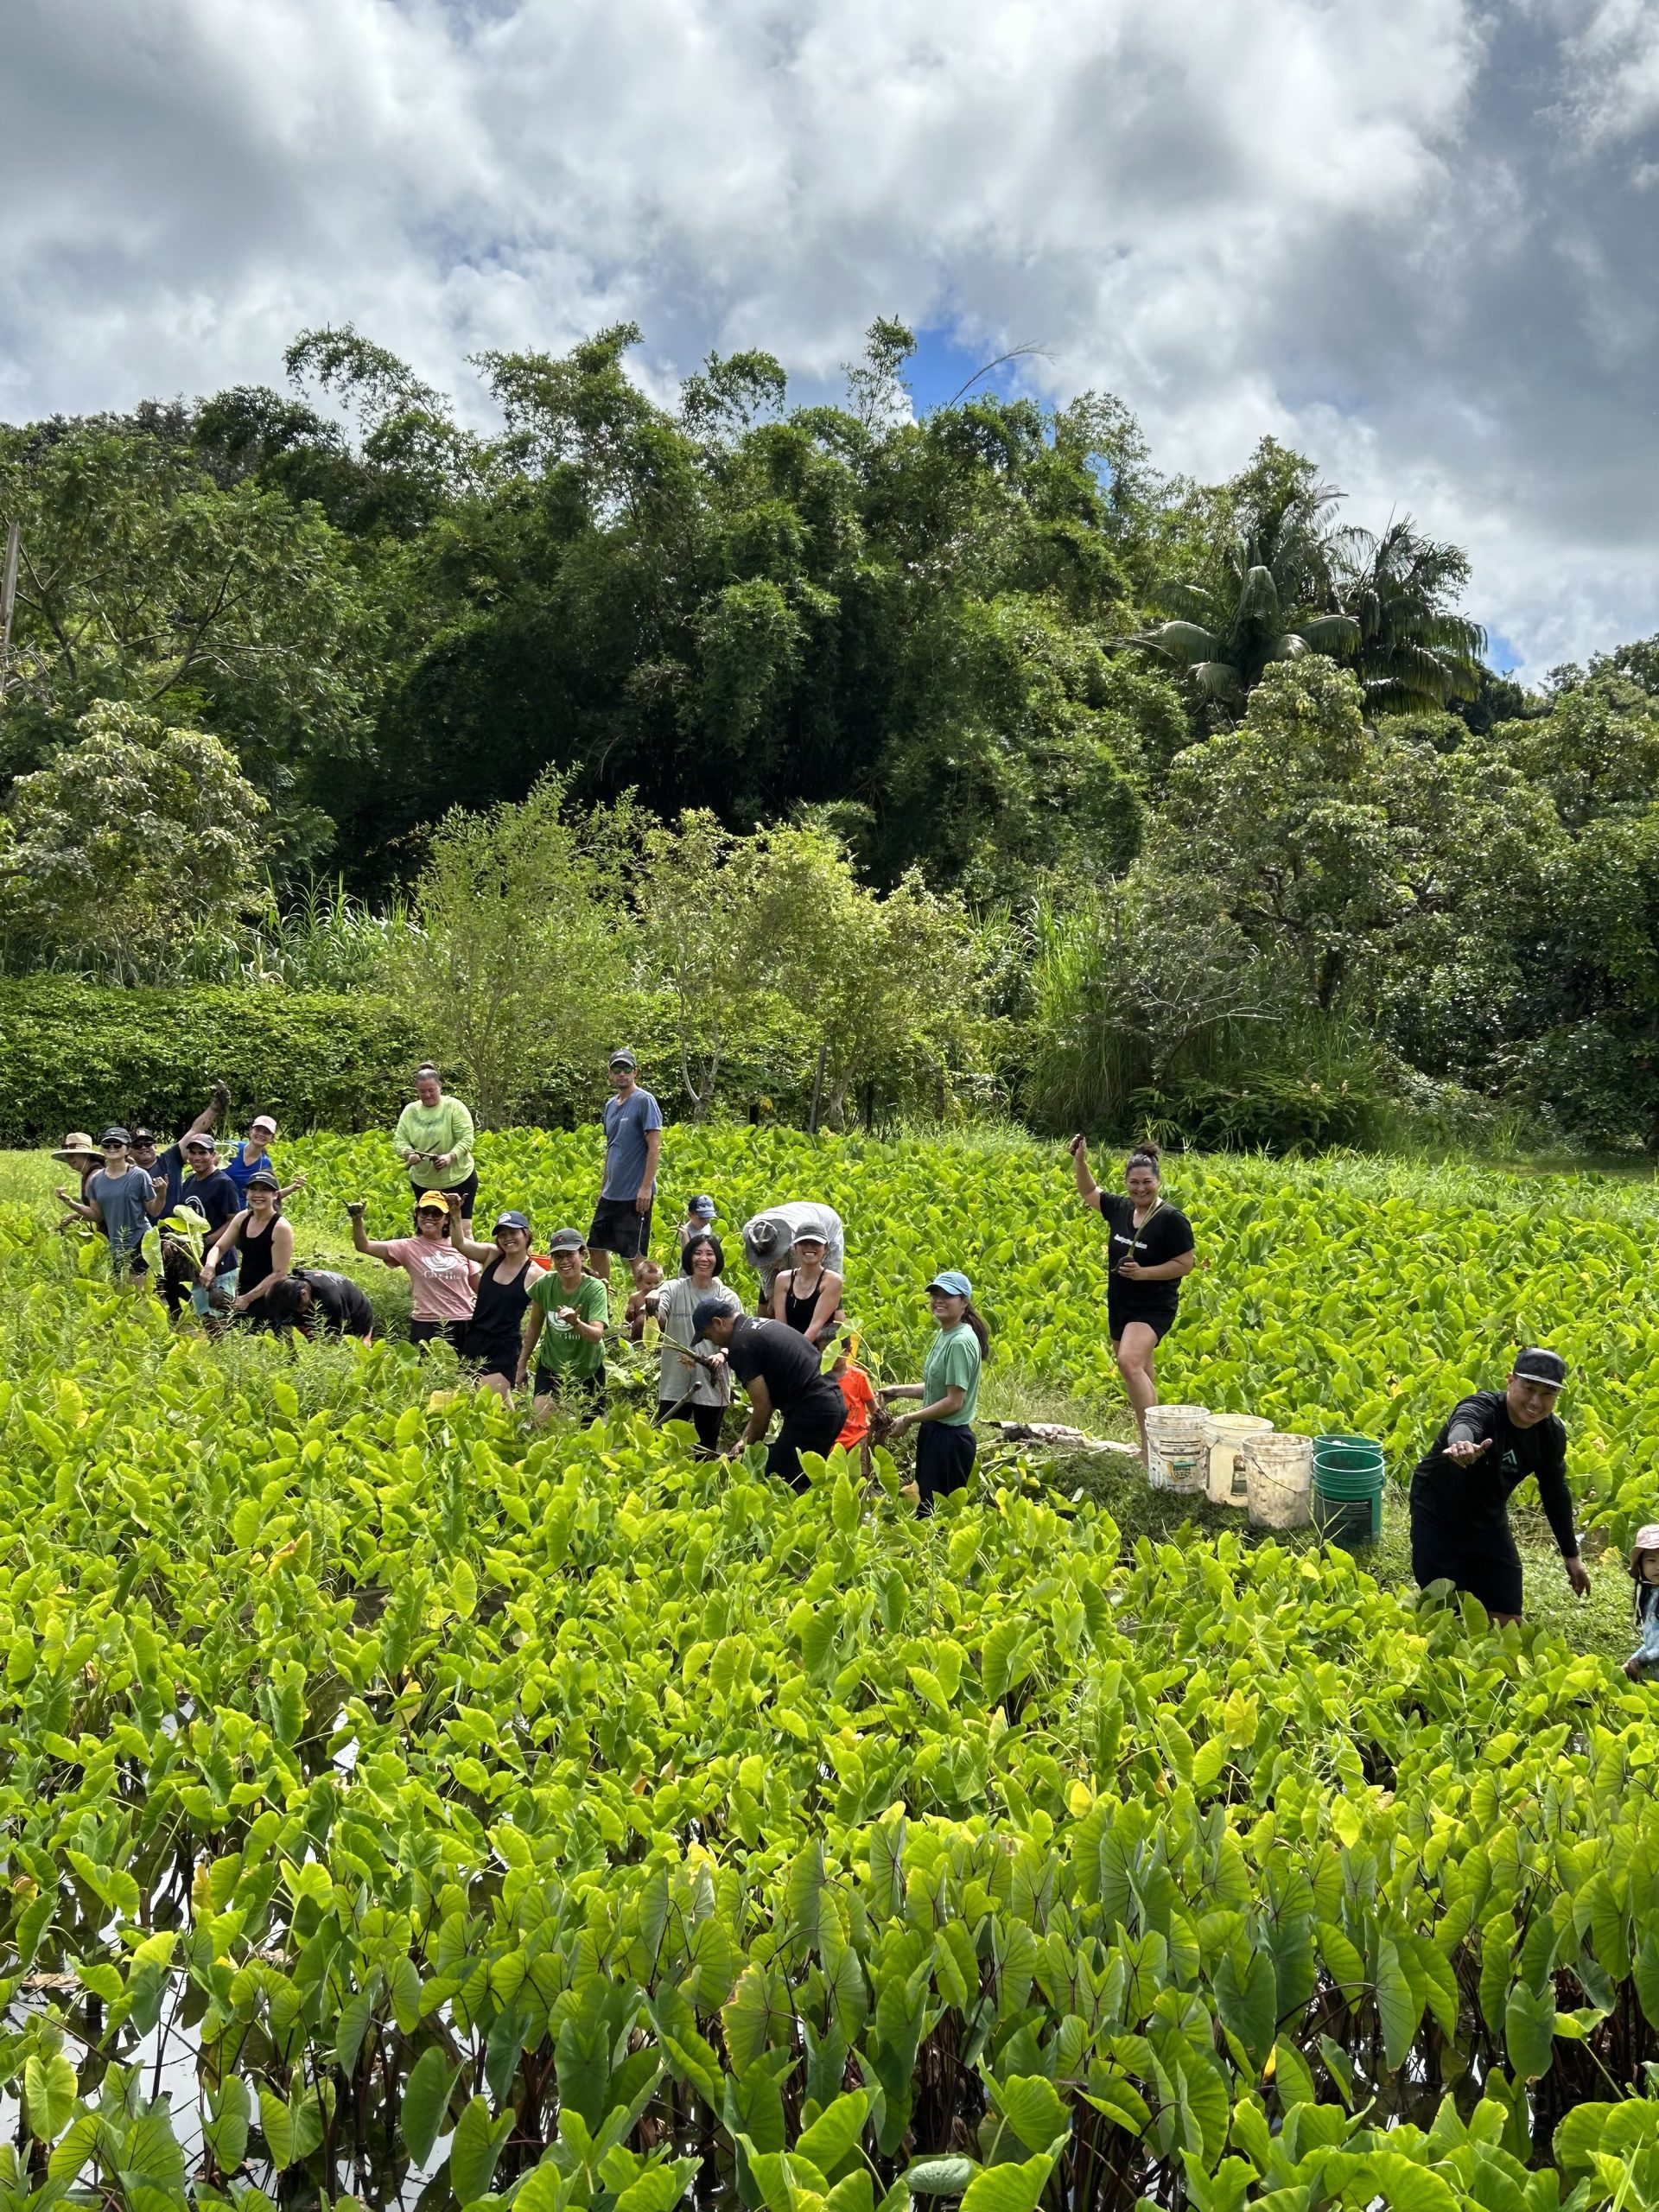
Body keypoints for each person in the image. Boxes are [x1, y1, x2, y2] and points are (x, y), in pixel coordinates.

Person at [1408, 1351, 1592, 1624]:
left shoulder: (1550, 1434)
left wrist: (1571, 1556)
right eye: (1529, 1389)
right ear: (1510, 1380)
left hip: (1488, 1516)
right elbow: (1465, 1422)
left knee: (1509, 1621)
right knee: (1447, 1612)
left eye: (1547, 1394)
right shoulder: (1483, 1407)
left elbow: (1555, 1492)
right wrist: (1462, 1444)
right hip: (1438, 1513)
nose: (1535, 1402)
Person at [1070, 1137, 1195, 1462]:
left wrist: (1145, 1273)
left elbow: (1185, 1264)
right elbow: (1088, 1192)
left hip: (1153, 1305)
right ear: (1126, 1183)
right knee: (1141, 1371)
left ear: (1158, 1182)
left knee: (1128, 1362)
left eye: (1147, 1182)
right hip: (1121, 1303)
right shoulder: (1121, 1209)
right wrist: (1080, 1161)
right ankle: (1152, 1445)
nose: (1140, 1189)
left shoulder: (1172, 1219)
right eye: (1134, 1182)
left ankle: (1152, 1449)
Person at [693, 1304, 846, 1490]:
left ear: (718, 1323)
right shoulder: (757, 1324)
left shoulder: (740, 1345)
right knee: (805, 1480)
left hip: (813, 1408)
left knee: (777, 1479)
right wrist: (745, 1441)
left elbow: (763, 1407)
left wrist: (746, 1448)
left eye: (710, 1336)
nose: (716, 1344)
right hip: (832, 1402)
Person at [881, 1271, 989, 1512]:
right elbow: (936, 1389)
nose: (938, 1300)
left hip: (949, 1441)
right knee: (926, 1507)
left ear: (964, 1302)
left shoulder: (960, 1341)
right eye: (935, 1295)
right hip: (934, 1433)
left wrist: (908, 1418)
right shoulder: (946, 1333)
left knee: (935, 1514)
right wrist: (896, 1391)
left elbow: (953, 1402)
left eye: (947, 1295)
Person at [441, 1196, 545, 1401]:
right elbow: (459, 1243)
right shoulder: (491, 1255)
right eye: (502, 1235)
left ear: (526, 1235)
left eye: (513, 1233)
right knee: (489, 1405)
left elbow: (542, 1316)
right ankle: (518, 1429)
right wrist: (455, 1211)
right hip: (475, 1338)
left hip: (503, 1347)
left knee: (489, 1403)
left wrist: (522, 1363)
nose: (508, 1239)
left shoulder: (536, 1274)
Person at [346, 1190, 476, 1351]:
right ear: (416, 1216)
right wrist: (357, 1220)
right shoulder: (407, 1247)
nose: (429, 1217)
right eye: (424, 1212)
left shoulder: (463, 1246)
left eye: (436, 1213)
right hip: (426, 1323)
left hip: (464, 1320)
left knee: (467, 1372)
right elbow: (364, 1246)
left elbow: (478, 1286)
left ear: (446, 1219)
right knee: (426, 1373)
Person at [654, 1232, 738, 1453]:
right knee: (667, 1444)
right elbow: (659, 1312)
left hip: (712, 1379)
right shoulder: (674, 1288)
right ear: (689, 1258)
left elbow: (737, 1337)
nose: (703, 1258)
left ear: (717, 1259)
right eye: (697, 1253)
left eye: (709, 1254)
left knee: (706, 1447)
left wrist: (721, 1355)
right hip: (676, 1377)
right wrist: (652, 1304)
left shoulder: (727, 1297)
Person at [588, 1051, 663, 1287]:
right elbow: (612, 1148)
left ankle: (644, 1308)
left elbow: (654, 1146)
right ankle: (604, 1302)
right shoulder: (610, 1106)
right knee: (596, 1247)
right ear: (610, 1074)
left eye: (627, 1069)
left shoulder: (644, 1101)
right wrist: (603, 1187)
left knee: (634, 1255)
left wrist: (645, 1187)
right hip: (612, 1193)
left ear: (635, 1072)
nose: (622, 1074)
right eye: (617, 1069)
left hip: (634, 1194)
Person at [519, 1229, 608, 1421]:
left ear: (583, 1255)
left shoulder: (595, 1288)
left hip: (587, 1367)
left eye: (569, 1255)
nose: (564, 1261)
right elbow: (534, 1328)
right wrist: (521, 1365)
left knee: (590, 1434)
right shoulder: (545, 1284)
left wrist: (576, 1322)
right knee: (542, 1422)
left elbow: (596, 1336)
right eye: (558, 1256)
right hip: (552, 1365)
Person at [160, 1132, 245, 1319]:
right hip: (198, 1262)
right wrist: (173, 1240)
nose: (197, 1158)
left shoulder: (223, 1183)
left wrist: (207, 1241)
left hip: (221, 1261)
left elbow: (234, 1220)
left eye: (203, 1153)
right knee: (205, 1317)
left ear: (213, 1155)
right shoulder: (190, 1181)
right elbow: (183, 1218)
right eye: (193, 1153)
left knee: (219, 1316)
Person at [392, 1065, 478, 1238]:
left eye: (431, 1090)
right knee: (429, 1228)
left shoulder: (454, 1107)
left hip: (459, 1177)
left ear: (440, 1086)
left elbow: (467, 1139)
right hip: (424, 1181)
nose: (427, 1095)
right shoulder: (410, 1111)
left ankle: (469, 1265)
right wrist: (409, 1155)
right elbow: (399, 1140)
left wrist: (449, 1157)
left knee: (462, 1228)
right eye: (422, 1091)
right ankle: (430, 1263)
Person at [200, 1168, 294, 1325]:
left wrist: (248, 1298)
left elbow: (279, 1273)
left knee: (269, 1341)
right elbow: (219, 1247)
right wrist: (210, 1266)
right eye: (253, 1189)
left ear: (275, 1195)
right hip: (244, 1287)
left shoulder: (280, 1227)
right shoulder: (242, 1218)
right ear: (246, 1193)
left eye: (264, 1190)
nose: (258, 1194)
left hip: (270, 1293)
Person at [130, 1079, 232, 1216]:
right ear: (129, 1150)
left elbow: (195, 1131)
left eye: (147, 1143)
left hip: (174, 1232)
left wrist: (215, 1107)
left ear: (156, 1145)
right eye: (137, 1145)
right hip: (139, 1232)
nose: (143, 1148)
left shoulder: (170, 1158)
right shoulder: (128, 1171)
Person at [85, 1128, 165, 1275]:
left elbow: (154, 1211)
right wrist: (69, 1202)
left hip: (140, 1239)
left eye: (117, 1145)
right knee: (120, 1291)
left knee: (136, 1292)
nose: (112, 1148)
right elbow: (96, 1215)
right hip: (116, 1243)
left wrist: (161, 1194)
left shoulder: (139, 1175)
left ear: (128, 1149)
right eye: (107, 1145)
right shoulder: (95, 1179)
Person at [740, 1203, 846, 1311]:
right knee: (772, 1293)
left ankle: (832, 1319)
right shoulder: (751, 1235)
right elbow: (765, 1270)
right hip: (794, 1217)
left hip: (827, 1222)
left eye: (774, 1258)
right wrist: (771, 1296)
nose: (772, 1264)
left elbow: (804, 1278)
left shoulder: (797, 1242)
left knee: (827, 1285)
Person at [771, 1225, 844, 1348]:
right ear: (795, 1248)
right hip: (787, 1347)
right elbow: (781, 1327)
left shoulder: (832, 1281)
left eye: (816, 1243)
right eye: (804, 1243)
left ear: (825, 1249)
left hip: (819, 1352)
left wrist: (794, 1353)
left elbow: (815, 1327)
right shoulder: (782, 1279)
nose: (809, 1247)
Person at [261, 1268, 376, 1343]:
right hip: (320, 1306)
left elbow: (335, 1338)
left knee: (349, 1348)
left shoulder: (331, 1300)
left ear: (304, 1294)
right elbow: (286, 1326)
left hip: (356, 1317)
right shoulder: (288, 1286)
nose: (298, 1313)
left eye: (299, 1309)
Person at [224, 1114, 308, 1205]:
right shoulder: (231, 1147)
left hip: (238, 1212)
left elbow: (271, 1195)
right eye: (258, 1129)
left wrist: (293, 1187)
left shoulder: (265, 1163)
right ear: (250, 1130)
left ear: (271, 1138)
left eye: (266, 1132)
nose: (261, 1134)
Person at [831, 1332, 880, 1478]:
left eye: (838, 1350)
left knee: (859, 1478)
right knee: (834, 1480)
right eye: (828, 1350)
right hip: (830, 1440)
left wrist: (881, 1429)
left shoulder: (859, 1377)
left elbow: (873, 1409)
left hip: (857, 1438)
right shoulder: (819, 1378)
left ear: (848, 1350)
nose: (834, 1355)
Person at [1624, 1524, 1659, 1681]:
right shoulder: (1649, 1594)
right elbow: (1652, 1640)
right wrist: (1631, 1662)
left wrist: (1639, 1661)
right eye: (1651, 1560)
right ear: (1641, 1565)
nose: (1658, 1567)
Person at [52, 1133, 103, 1230]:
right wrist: (74, 1217)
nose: (68, 1159)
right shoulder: (88, 1173)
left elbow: (97, 1216)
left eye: (73, 1155)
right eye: (66, 1155)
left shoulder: (95, 1176)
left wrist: (69, 1202)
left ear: (86, 1154)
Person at [626, 1259, 665, 1344]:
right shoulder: (635, 1297)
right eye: (648, 1283)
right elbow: (629, 1319)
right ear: (639, 1282)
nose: (653, 1286)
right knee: (641, 1319)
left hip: (658, 1328)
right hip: (640, 1329)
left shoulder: (663, 1295)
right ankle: (636, 1340)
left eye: (656, 1283)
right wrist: (629, 1311)